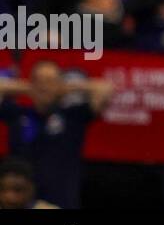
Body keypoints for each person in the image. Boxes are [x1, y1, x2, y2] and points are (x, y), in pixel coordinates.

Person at [0, 62, 114, 208]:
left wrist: (64, 89)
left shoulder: (73, 115)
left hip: (61, 201)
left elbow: (105, 88)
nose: (44, 86)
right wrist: (28, 88)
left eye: (50, 81)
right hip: (21, 202)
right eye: (39, 81)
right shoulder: (17, 113)